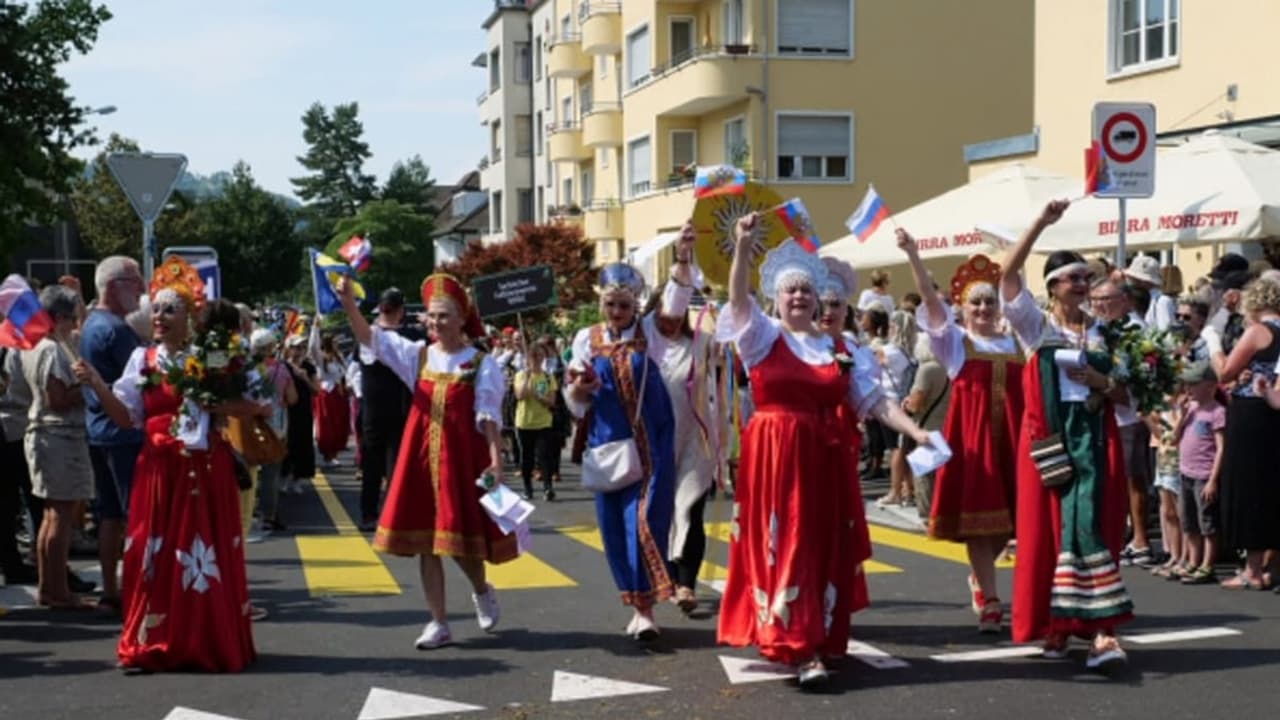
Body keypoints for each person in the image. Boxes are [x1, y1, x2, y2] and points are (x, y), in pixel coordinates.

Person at [716, 215, 932, 687]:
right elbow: (737, 300)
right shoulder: (763, 337)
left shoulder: (838, 347)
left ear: (818, 300)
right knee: (786, 540)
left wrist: (915, 433)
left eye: (806, 292)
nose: (798, 298)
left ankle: (816, 632)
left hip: (825, 457)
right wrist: (742, 248)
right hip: (774, 453)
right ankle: (801, 645)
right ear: (777, 298)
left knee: (819, 543)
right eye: (790, 291)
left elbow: (873, 401)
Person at [74, 258, 257, 672]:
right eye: (155, 308)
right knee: (153, 554)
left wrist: (216, 403)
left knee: (201, 555)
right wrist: (97, 384)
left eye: (169, 308)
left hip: (204, 469)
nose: (158, 316)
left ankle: (207, 639)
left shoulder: (212, 358)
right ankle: (152, 641)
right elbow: (125, 418)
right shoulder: (142, 360)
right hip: (158, 470)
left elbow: (254, 405)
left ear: (189, 315)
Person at [337, 272, 515, 649]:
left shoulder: (481, 364)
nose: (435, 322)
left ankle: (482, 589)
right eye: (432, 316)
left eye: (444, 316)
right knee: (426, 543)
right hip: (419, 458)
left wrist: (496, 463)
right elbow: (372, 338)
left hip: (461, 461)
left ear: (462, 319)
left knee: (458, 542)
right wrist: (350, 305)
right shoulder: (419, 356)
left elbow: (489, 418)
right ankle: (438, 622)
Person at [1000, 200, 1134, 672]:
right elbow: (1008, 278)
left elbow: (1126, 392)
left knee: (1092, 526)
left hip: (1097, 436)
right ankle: (1057, 625)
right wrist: (1039, 223)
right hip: (1051, 438)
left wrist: (1106, 387)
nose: (1080, 285)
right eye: (1071, 278)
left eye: (1085, 278)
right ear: (1053, 286)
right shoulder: (1038, 327)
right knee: (1049, 533)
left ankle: (1102, 631)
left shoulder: (1105, 333)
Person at [899, 234, 1024, 634]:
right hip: (975, 444)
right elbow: (929, 300)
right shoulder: (956, 343)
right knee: (979, 524)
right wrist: (913, 255)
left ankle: (979, 580)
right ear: (963, 309)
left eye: (989, 301)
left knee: (1007, 526)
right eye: (976, 302)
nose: (984, 308)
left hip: (1013, 439)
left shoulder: (1016, 341)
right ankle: (989, 597)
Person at [564, 261, 677, 641]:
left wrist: (684, 259)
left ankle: (647, 610)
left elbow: (676, 303)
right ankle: (634, 600)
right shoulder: (586, 338)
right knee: (613, 527)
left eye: (624, 306)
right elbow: (575, 402)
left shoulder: (650, 334)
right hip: (608, 442)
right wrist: (582, 387)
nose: (617, 313)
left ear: (635, 307)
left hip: (650, 443)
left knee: (642, 522)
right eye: (611, 305)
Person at [646, 223, 718, 615]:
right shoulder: (646, 340)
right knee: (662, 511)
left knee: (690, 508)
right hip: (656, 439)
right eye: (665, 310)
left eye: (678, 312)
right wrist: (682, 258)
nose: (671, 318)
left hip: (695, 438)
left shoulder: (703, 342)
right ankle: (668, 579)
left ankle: (687, 583)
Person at [79, 256, 146, 614]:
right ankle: (139, 588)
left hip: (98, 431)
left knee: (109, 515)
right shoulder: (118, 331)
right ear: (113, 286)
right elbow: (140, 382)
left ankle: (111, 589)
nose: (141, 288)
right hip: (124, 433)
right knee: (135, 514)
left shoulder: (92, 323)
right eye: (134, 281)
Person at [22, 284, 94, 609]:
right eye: (69, 318)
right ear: (58, 318)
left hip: (46, 434)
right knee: (60, 516)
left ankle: (48, 586)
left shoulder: (35, 345)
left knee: (52, 516)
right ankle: (58, 590)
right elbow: (58, 399)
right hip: (58, 435)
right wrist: (87, 386)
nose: (73, 325)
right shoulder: (50, 350)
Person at [1215, 278, 1280, 590]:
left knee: (1249, 487)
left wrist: (1214, 346)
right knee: (1271, 486)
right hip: (1273, 413)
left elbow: (1226, 371)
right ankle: (1269, 566)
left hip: (1252, 412)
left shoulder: (1257, 332)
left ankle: (1252, 569)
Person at [1089, 277, 1156, 568]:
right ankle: (1122, 534)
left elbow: (1141, 377)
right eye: (1097, 300)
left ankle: (1141, 540)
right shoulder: (1098, 328)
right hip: (1104, 413)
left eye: (1108, 299)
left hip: (1128, 413)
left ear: (1125, 300)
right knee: (1111, 478)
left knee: (1132, 477)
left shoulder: (1134, 330)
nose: (1101, 306)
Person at [358, 288, 424, 531]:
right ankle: (389, 513)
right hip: (399, 408)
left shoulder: (370, 335)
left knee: (374, 466)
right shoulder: (413, 336)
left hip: (376, 410)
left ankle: (371, 514)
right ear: (401, 311)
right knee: (394, 464)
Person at [1172, 362, 1224, 585]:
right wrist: (1182, 416)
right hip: (1186, 472)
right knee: (1189, 521)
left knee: (1207, 522)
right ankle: (1193, 561)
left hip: (1204, 474)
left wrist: (1213, 479)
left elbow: (1221, 447)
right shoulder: (1191, 409)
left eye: (1194, 384)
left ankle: (1207, 565)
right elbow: (1174, 439)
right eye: (1187, 384)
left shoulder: (1217, 412)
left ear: (1211, 386)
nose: (1189, 389)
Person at [0, 344, 39, 585]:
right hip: (18, 427)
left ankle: (12, 562)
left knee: (7, 504)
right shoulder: (16, 347)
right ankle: (46, 564)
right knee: (34, 502)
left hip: (9, 428)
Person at [512, 341, 558, 501]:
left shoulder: (547, 376)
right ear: (527, 358)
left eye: (539, 355)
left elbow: (552, 401)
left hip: (543, 422)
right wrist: (527, 377)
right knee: (527, 457)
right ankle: (527, 488)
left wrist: (540, 397)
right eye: (533, 355)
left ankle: (548, 487)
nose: (537, 358)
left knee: (544, 455)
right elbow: (520, 395)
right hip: (524, 422)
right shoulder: (520, 375)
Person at [281, 333, 318, 495]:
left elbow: (317, 390)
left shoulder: (308, 367)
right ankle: (284, 476)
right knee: (286, 442)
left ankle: (298, 478)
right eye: (296, 347)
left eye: (302, 347)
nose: (299, 350)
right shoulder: (283, 366)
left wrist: (305, 379)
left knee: (302, 442)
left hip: (303, 410)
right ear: (289, 349)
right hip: (287, 409)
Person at [313, 334, 349, 467]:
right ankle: (327, 454)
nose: (337, 344)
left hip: (339, 393)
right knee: (328, 423)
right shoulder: (322, 358)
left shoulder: (339, 357)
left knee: (339, 424)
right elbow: (313, 347)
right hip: (327, 393)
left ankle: (334, 454)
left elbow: (346, 372)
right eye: (334, 342)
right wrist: (315, 327)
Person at [1123, 255, 1174, 331]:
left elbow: (1166, 332)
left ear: (1142, 281)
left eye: (1132, 278)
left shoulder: (1162, 301)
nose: (1129, 281)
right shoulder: (1133, 298)